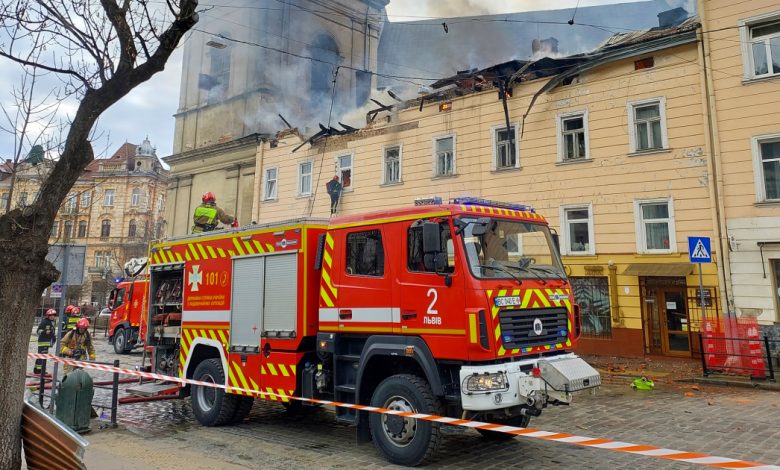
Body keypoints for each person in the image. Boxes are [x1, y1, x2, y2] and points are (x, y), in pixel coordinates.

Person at [33, 309, 58, 376]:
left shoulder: (52, 322)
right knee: (41, 357)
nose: (52, 317)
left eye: (54, 315)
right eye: (51, 315)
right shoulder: (44, 322)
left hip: (47, 342)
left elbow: (52, 332)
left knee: (42, 357)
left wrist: (53, 339)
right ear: (48, 316)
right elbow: (38, 331)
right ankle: (39, 371)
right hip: (43, 342)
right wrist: (44, 332)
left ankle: (38, 370)